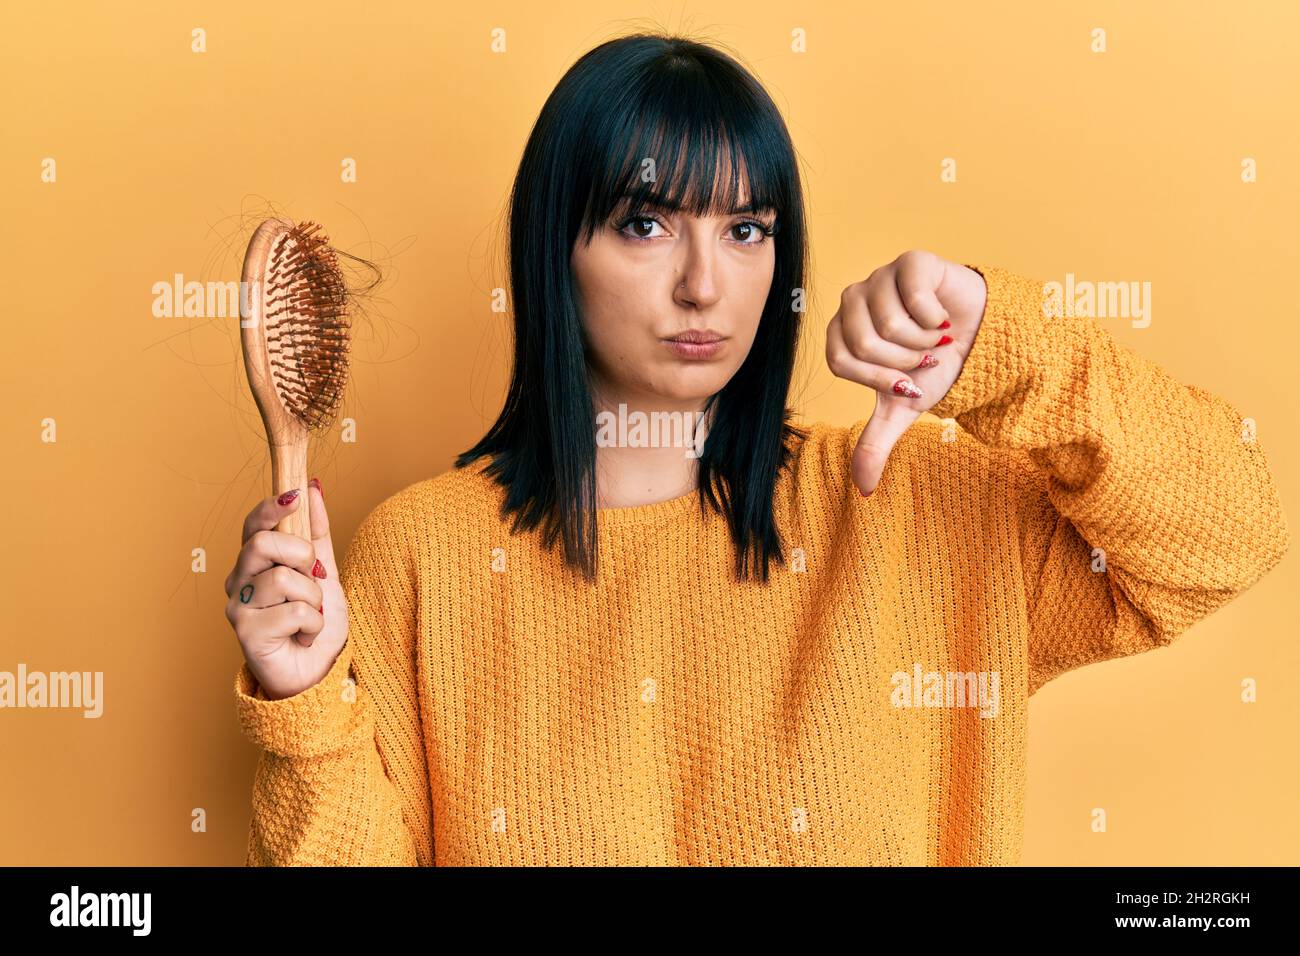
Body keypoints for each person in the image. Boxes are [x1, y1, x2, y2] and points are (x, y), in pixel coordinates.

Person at [223, 33, 1289, 866]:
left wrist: (1001, 348)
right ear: (556, 248)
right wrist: (301, 701)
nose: (705, 284)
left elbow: (1231, 531)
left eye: (746, 227)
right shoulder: (423, 555)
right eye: (646, 223)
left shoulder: (911, 507)